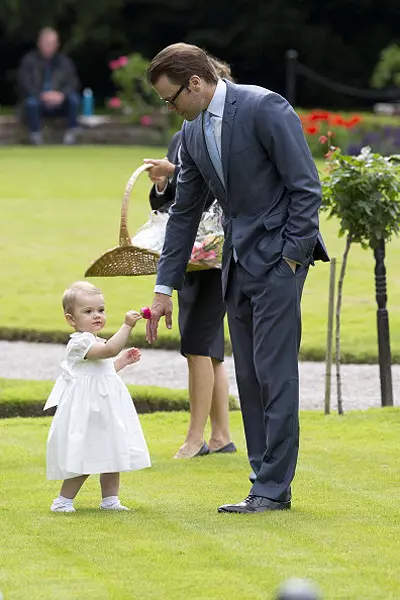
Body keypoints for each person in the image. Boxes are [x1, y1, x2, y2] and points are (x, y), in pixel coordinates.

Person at [145, 43, 329, 513]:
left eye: (171, 99)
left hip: (278, 263)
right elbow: (184, 214)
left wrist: (291, 258)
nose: (170, 109)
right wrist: (164, 288)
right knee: (248, 375)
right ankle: (264, 484)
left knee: (274, 374)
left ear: (196, 83)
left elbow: (306, 186)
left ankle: (271, 488)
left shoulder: (264, 107)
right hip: (236, 263)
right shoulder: (191, 131)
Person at [142, 57, 236, 460]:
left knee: (198, 343)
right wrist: (164, 181)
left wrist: (175, 169)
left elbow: (223, 184)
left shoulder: (229, 125)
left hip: (215, 252)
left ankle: (196, 437)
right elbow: (178, 204)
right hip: (190, 251)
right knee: (205, 346)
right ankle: (221, 436)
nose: (173, 106)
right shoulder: (185, 131)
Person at [44, 281, 151, 512]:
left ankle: (110, 499)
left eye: (100, 310)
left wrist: (122, 362)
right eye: (88, 311)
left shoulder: (95, 340)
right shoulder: (80, 342)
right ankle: (63, 500)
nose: (97, 316)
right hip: (88, 409)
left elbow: (104, 368)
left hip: (106, 407)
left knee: (112, 450)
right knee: (86, 452)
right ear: (71, 319)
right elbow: (109, 351)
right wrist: (126, 326)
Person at [17, 27, 80, 146]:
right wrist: (42, 96)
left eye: (52, 44)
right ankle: (35, 136)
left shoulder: (64, 62)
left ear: (57, 45)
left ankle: (72, 134)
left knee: (74, 99)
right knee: (31, 103)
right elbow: (25, 83)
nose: (49, 47)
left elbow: (73, 83)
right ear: (39, 43)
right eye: (46, 43)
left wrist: (61, 95)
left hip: (59, 102)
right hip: (39, 101)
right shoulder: (29, 60)